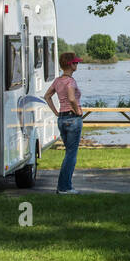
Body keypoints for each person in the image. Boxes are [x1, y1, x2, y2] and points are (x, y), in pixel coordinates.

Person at [45, 52, 84, 194]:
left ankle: (64, 186)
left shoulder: (57, 80)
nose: (77, 64)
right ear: (70, 64)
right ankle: (64, 187)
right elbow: (72, 98)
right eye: (76, 62)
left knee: (68, 153)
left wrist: (56, 112)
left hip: (61, 119)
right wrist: (77, 111)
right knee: (71, 155)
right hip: (73, 119)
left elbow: (47, 96)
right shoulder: (70, 81)